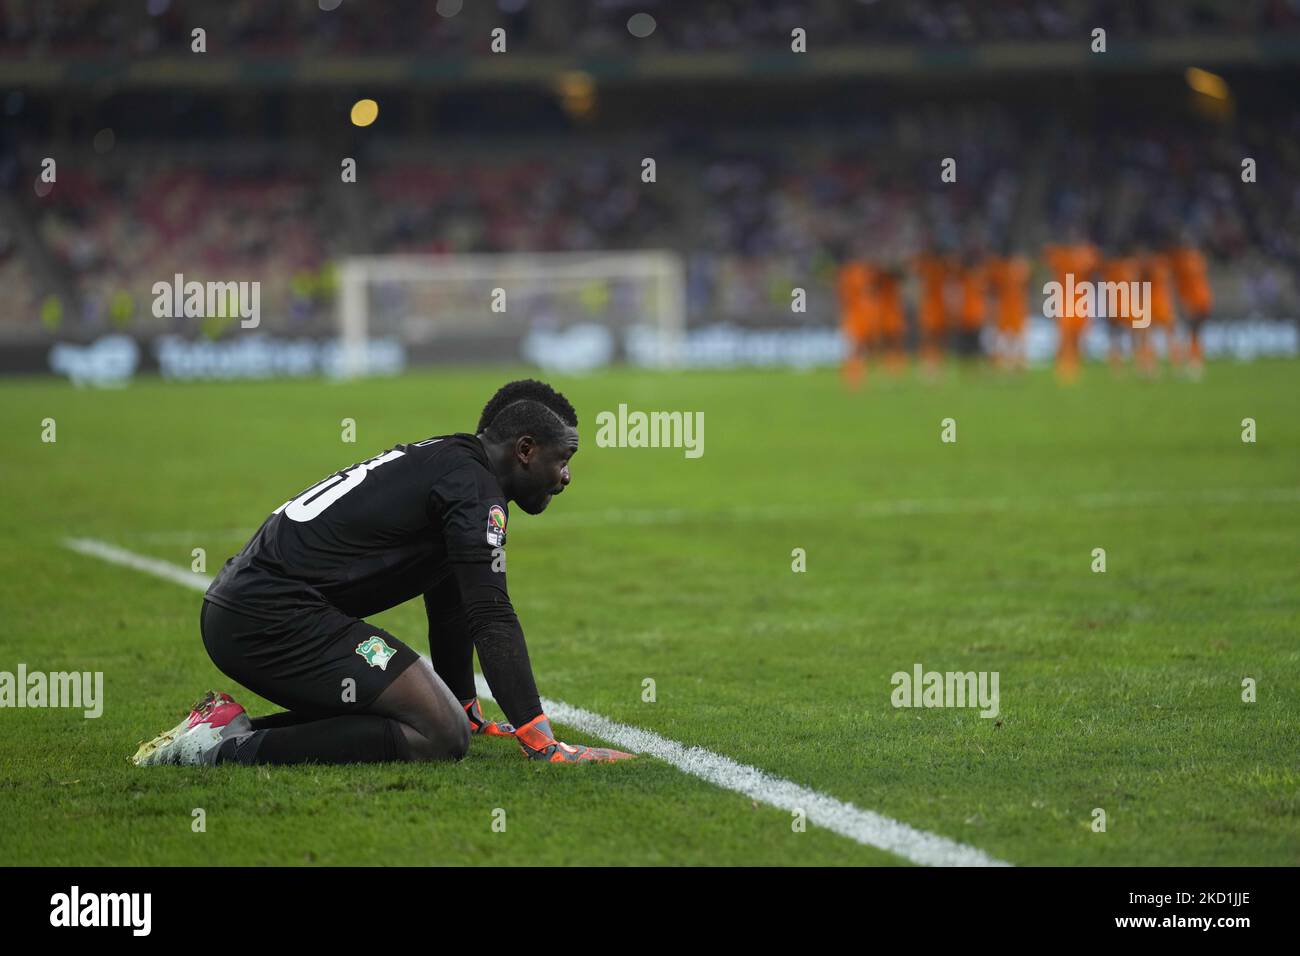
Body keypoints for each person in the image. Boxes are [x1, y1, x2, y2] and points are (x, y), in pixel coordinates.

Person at [131, 379, 636, 766]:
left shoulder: (455, 465)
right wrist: (539, 739)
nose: (567, 475)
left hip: (251, 608)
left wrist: (467, 704)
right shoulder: (473, 489)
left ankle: (222, 729)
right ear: (525, 450)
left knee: (437, 714)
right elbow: (490, 612)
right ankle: (218, 753)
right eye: (563, 458)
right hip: (270, 614)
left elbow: (452, 601)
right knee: (439, 736)